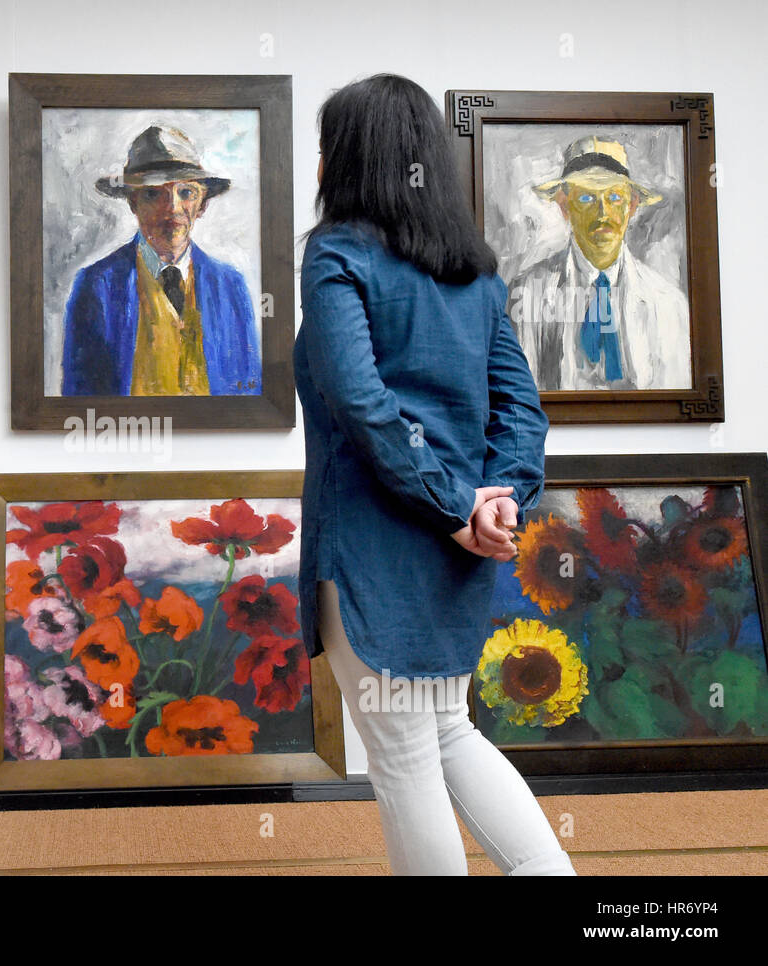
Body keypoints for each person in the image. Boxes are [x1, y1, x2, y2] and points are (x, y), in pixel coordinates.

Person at [295, 73, 574, 875]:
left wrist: (460, 508)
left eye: (327, 147)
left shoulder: (337, 252)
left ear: (350, 160)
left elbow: (360, 402)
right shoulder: (475, 273)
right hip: (454, 554)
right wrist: (497, 505)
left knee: (407, 758)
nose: (319, 163)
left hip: (373, 550)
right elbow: (521, 415)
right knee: (446, 731)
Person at [61, 125, 261, 396]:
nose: (173, 209)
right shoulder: (96, 286)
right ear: (133, 202)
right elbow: (79, 397)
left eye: (186, 193)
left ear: (202, 205)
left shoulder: (230, 286)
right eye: (153, 193)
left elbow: (249, 390)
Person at [506, 136, 691, 391]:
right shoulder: (525, 293)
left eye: (614, 197)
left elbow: (674, 400)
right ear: (564, 206)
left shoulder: (668, 303)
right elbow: (521, 396)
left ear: (632, 205)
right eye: (586, 199)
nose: (603, 214)